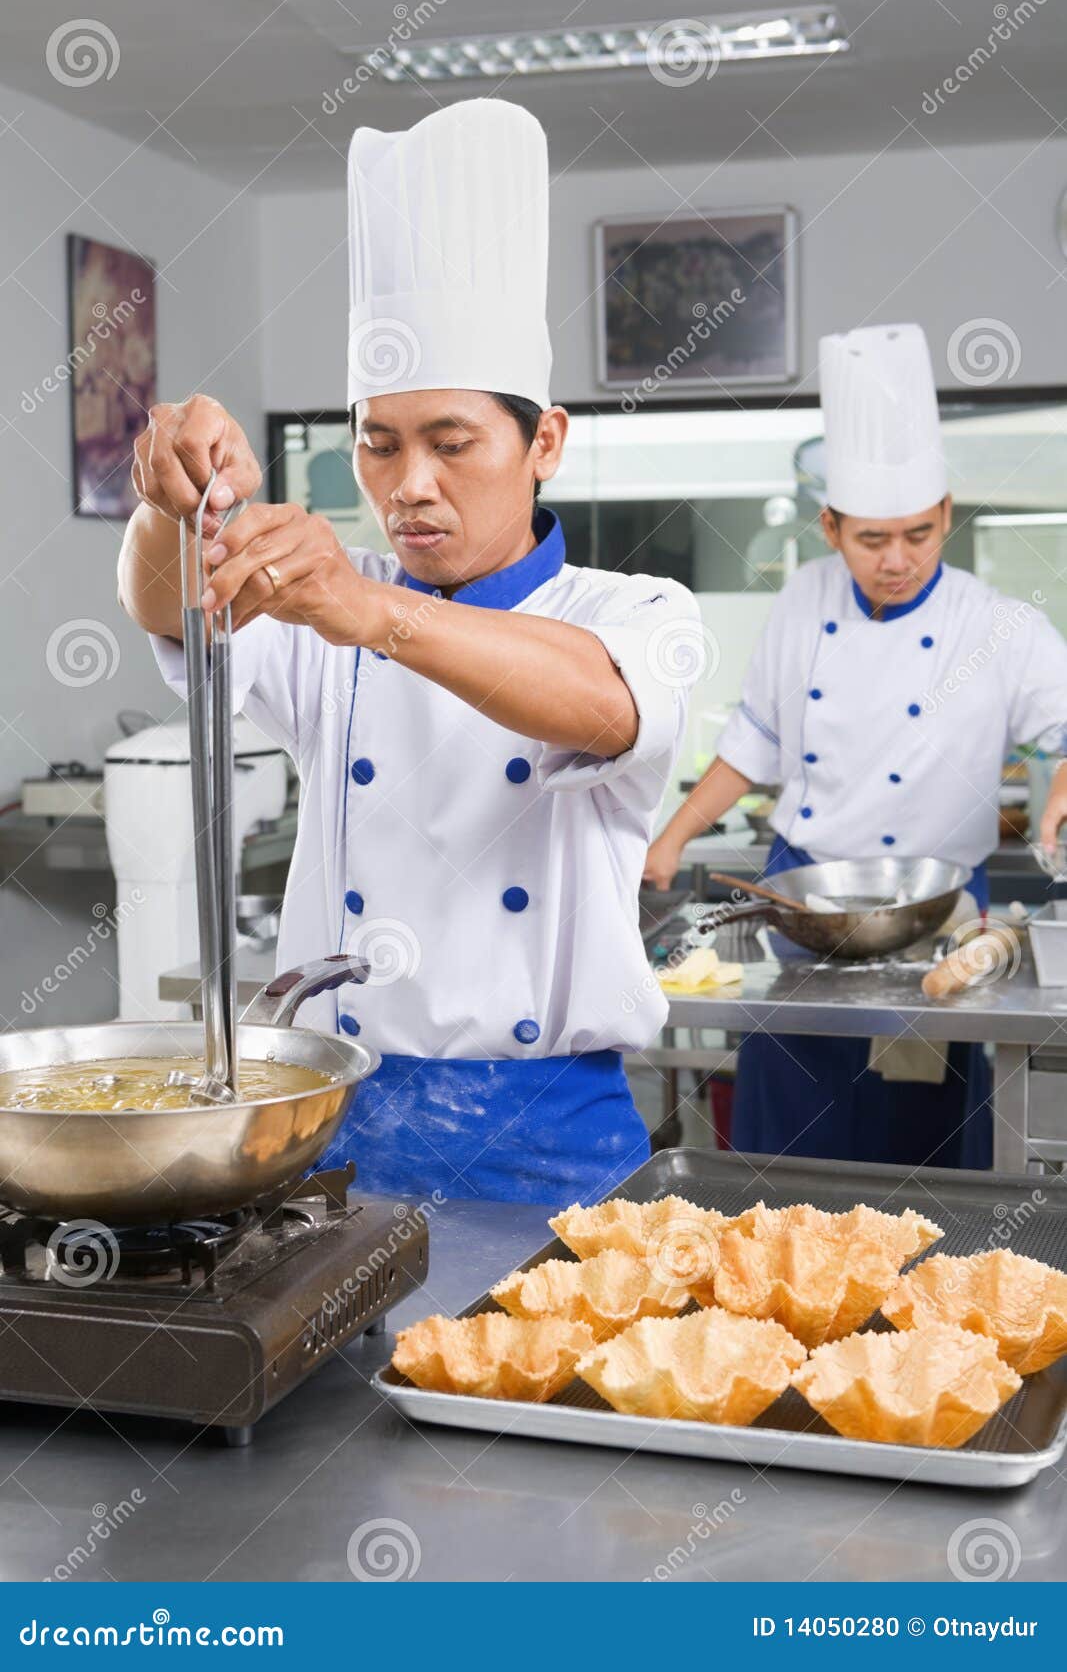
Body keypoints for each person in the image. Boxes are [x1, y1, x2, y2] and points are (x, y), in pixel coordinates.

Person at [117, 98, 700, 1206]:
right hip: (327, 1122)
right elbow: (171, 607)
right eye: (378, 444)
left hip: (548, 1137)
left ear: (544, 442)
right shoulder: (321, 604)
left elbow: (599, 706)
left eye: (451, 443)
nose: (409, 486)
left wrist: (370, 611)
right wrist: (168, 503)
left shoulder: (634, 608)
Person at [644, 323, 1067, 1170]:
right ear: (829, 526)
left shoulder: (994, 623)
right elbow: (754, 742)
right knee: (790, 1115)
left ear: (944, 514)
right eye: (871, 539)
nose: (897, 560)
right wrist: (673, 836)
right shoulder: (803, 599)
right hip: (801, 903)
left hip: (934, 916)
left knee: (917, 1133)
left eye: (918, 534)